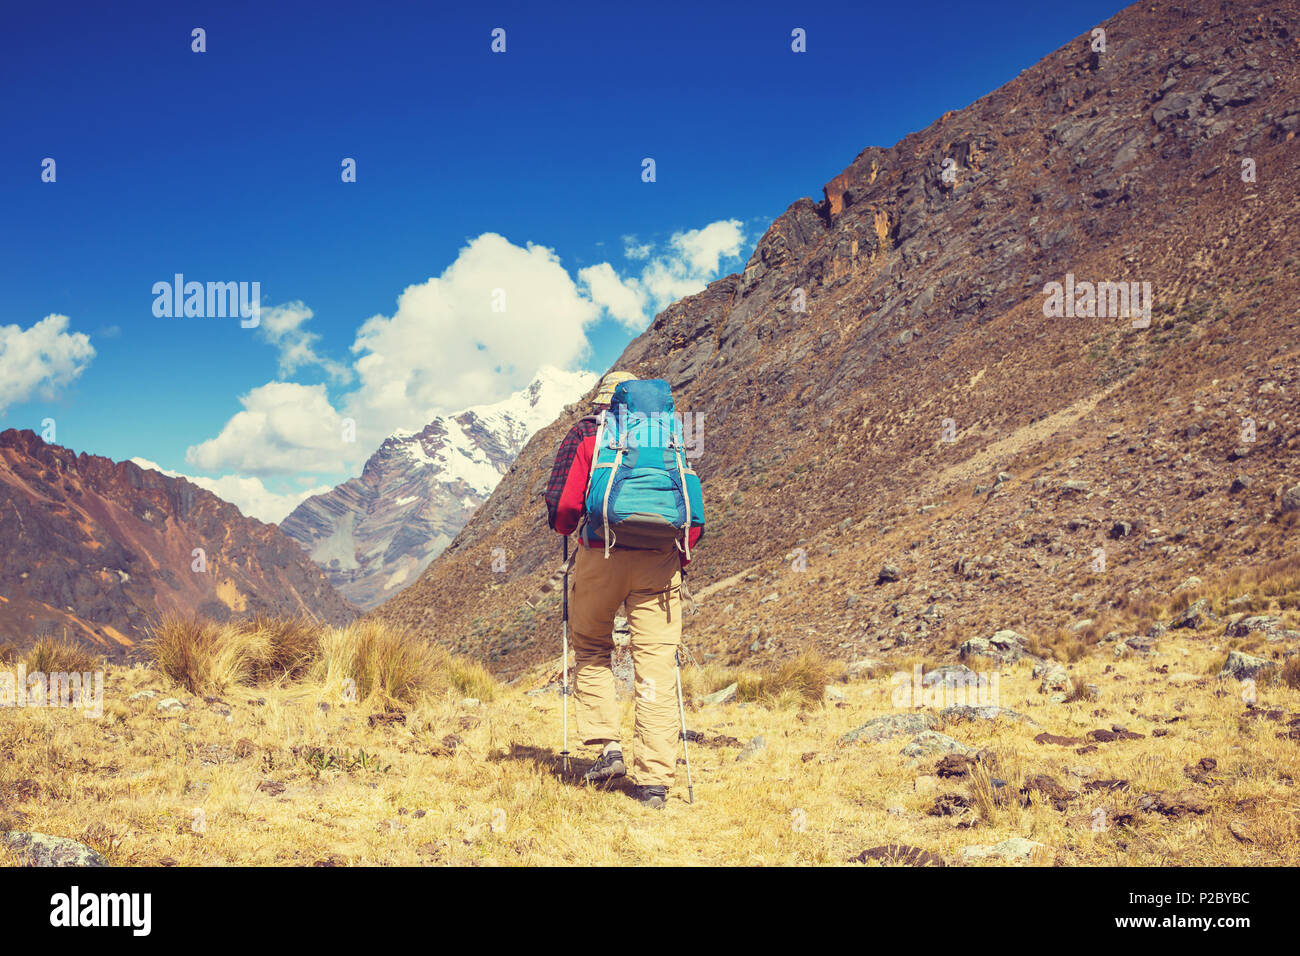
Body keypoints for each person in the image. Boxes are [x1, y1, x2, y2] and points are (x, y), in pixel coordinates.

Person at [544, 370, 703, 809]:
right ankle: (654, 781)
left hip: (602, 553)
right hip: (660, 562)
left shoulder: (587, 433)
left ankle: (607, 749)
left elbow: (565, 506)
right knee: (655, 665)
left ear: (605, 402)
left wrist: (565, 527)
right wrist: (680, 555)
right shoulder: (667, 436)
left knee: (593, 646)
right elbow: (689, 505)